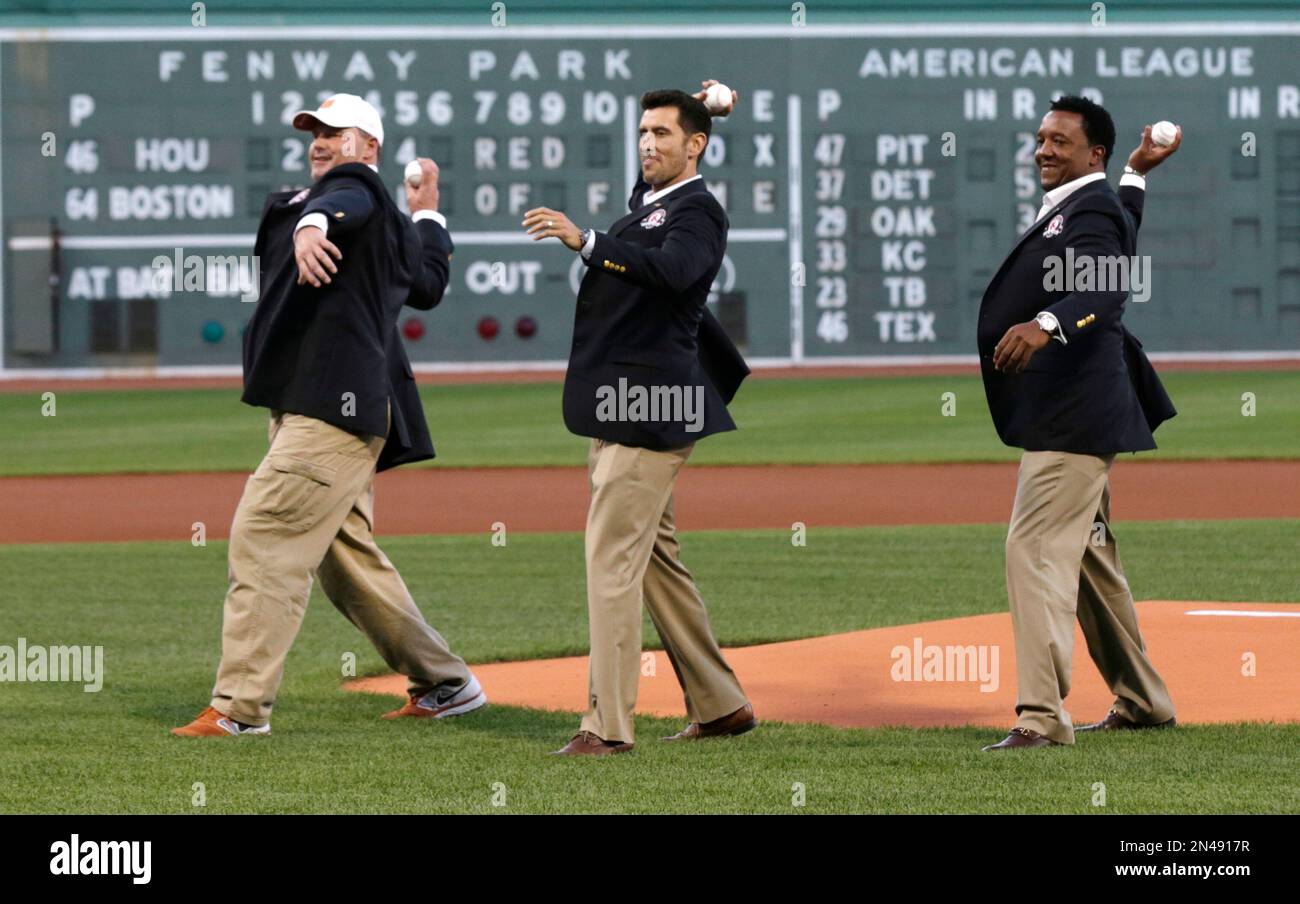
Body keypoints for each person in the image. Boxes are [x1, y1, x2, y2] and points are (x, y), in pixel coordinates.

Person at [173, 93, 484, 737]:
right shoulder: (386, 223)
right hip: (331, 406)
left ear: (369, 147)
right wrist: (428, 216)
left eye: (336, 132)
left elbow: (348, 197)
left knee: (264, 535)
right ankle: (447, 683)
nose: (320, 141)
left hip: (330, 411)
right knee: (346, 562)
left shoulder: (353, 194)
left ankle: (238, 709)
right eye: (314, 131)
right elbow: (427, 284)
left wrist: (316, 222)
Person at [522, 81, 755, 756]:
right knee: (655, 563)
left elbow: (676, 271)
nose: (649, 143)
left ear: (696, 148)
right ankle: (721, 704)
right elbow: (651, 215)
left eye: (663, 134)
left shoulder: (698, 212)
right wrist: (700, 104)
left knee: (610, 562)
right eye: (644, 133)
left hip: (653, 405)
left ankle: (607, 726)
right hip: (625, 400)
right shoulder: (651, 203)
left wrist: (587, 241)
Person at [978, 95, 1182, 751]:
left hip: (1073, 417)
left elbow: (1106, 284)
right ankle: (1144, 699)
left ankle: (1040, 719)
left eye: (1060, 141)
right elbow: (1123, 226)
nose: (1043, 149)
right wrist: (1137, 173)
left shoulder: (1086, 208)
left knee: (1033, 548)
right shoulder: (1101, 202)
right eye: (1041, 138)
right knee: (1089, 556)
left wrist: (1045, 324)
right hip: (1089, 411)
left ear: (1089, 153)